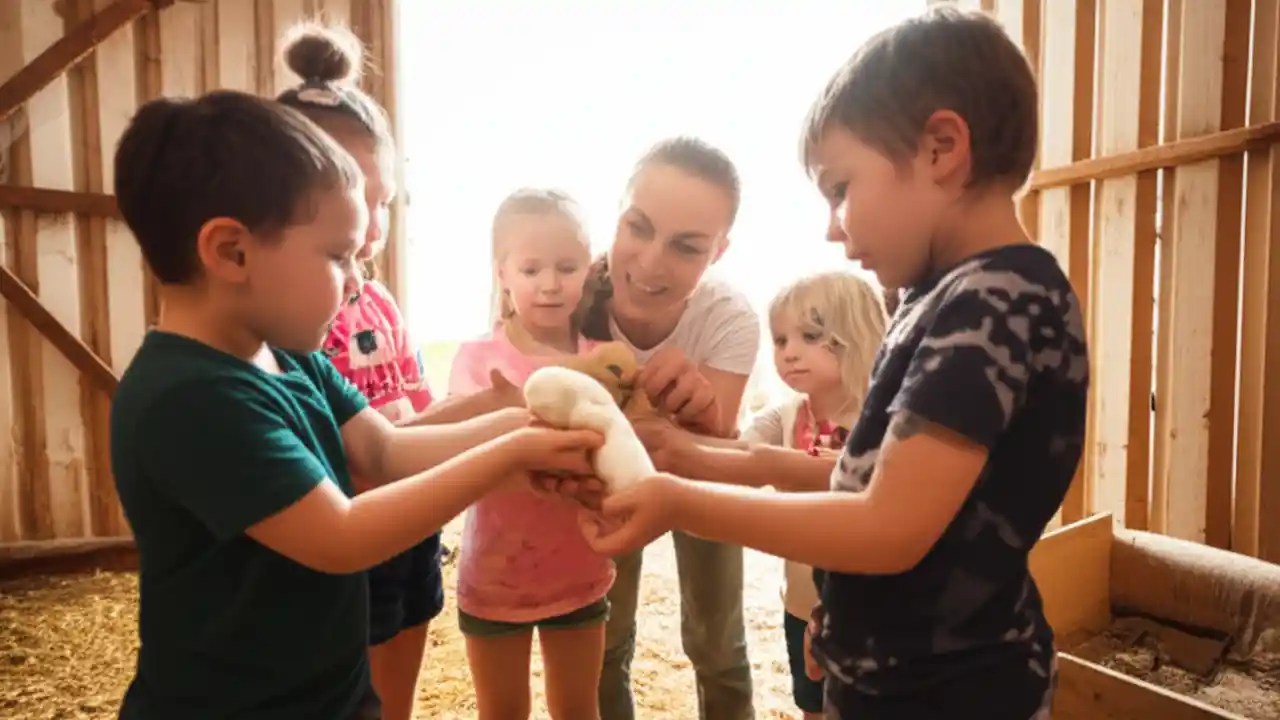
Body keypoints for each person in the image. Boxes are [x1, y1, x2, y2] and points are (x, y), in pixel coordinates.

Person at [578, 8, 1088, 720]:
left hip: (949, 695)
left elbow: (887, 526)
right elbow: (877, 481)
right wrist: (703, 459)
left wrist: (679, 500)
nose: (830, 224)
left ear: (942, 148)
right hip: (899, 671)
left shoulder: (992, 307)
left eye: (840, 188)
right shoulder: (942, 298)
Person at [108, 89, 602, 720]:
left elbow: (383, 448)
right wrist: (509, 455)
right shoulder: (191, 400)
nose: (358, 278)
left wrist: (515, 422)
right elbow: (342, 536)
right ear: (231, 252)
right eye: (337, 256)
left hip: (328, 696)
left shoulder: (287, 354)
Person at [274, 24, 439, 720]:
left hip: (410, 519)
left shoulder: (379, 301)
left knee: (405, 643)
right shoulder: (291, 328)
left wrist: (506, 412)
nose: (372, 225)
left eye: (384, 201)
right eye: (351, 199)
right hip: (353, 522)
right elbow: (360, 457)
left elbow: (412, 406)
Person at [637, 271, 887, 718]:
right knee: (812, 702)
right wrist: (668, 442)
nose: (789, 352)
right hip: (801, 600)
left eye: (810, 336)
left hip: (874, 608)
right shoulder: (785, 416)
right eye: (780, 340)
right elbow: (738, 455)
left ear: (858, 333)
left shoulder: (884, 421)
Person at [575, 137, 762, 720]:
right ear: (618, 214)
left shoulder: (729, 317)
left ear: (719, 251)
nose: (651, 263)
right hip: (603, 478)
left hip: (703, 474)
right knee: (604, 637)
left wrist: (703, 413)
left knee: (718, 645)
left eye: (686, 247)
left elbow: (713, 449)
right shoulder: (568, 294)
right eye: (638, 227)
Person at [447, 188, 612, 720]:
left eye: (566, 266)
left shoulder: (603, 363)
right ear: (503, 273)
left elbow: (622, 452)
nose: (549, 284)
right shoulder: (478, 363)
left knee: (578, 710)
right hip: (495, 576)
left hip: (579, 573)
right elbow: (465, 464)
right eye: (531, 268)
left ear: (587, 268)